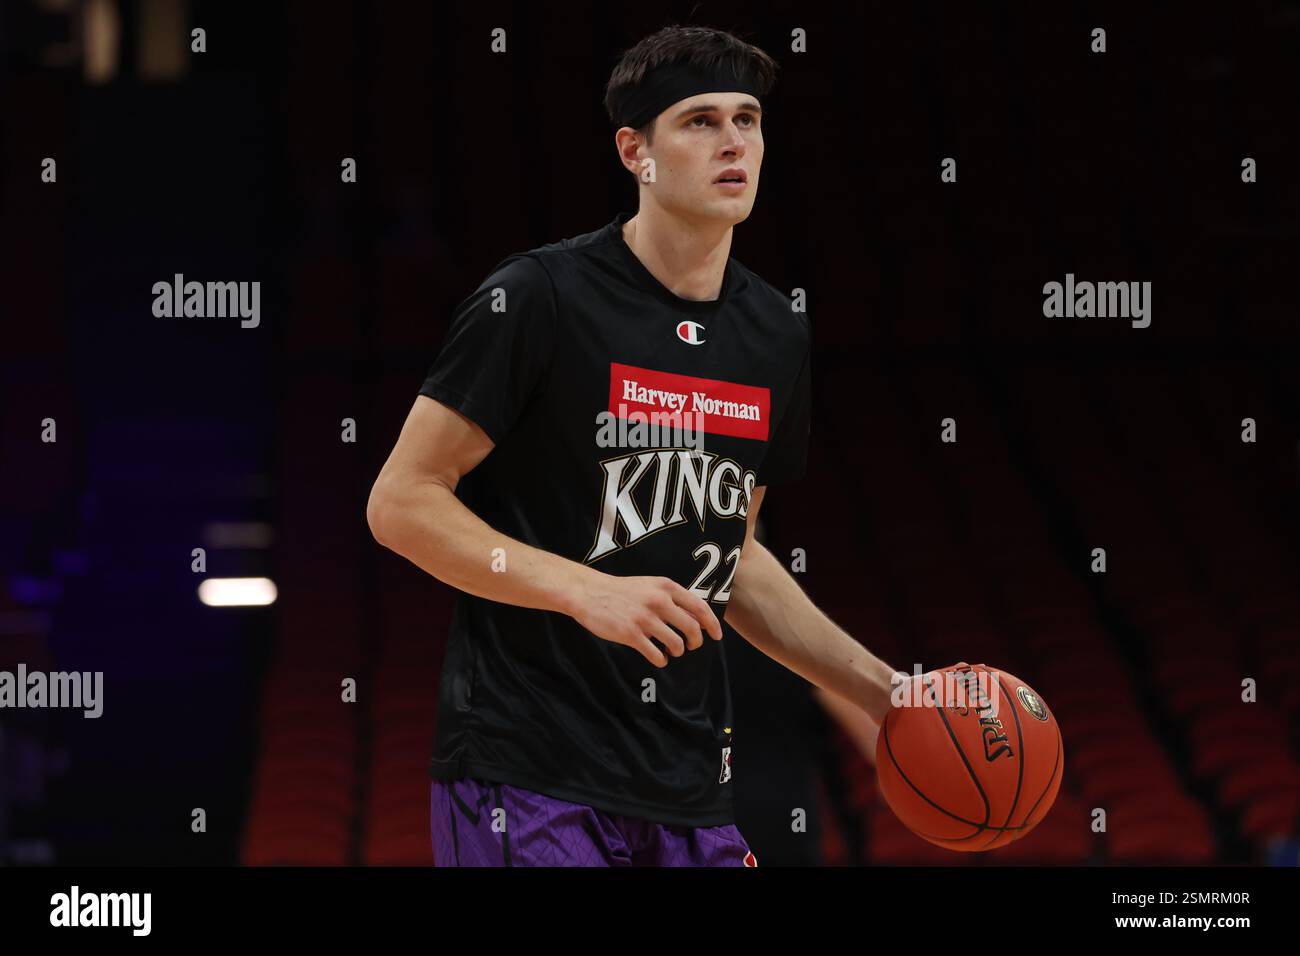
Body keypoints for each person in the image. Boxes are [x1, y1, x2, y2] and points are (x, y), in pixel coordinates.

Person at [367, 23, 896, 866]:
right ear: (633, 150)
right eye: (699, 121)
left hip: (687, 778)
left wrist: (886, 693)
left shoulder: (773, 330)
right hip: (526, 768)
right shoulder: (537, 298)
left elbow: (738, 558)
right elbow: (401, 503)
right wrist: (585, 591)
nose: (734, 143)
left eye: (748, 120)